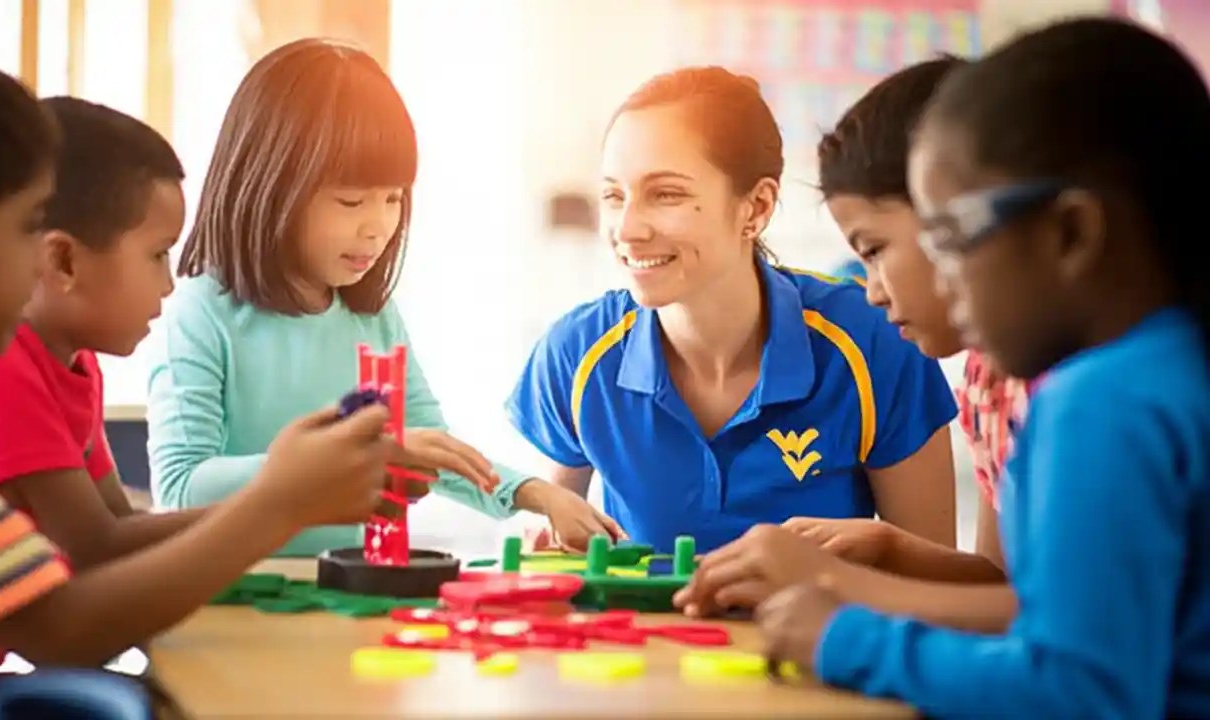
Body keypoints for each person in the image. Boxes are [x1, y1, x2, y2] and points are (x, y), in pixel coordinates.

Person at [756, 18, 1210, 718]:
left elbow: (1081, 692)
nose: (944, 272)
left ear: (1071, 232)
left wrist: (844, 637)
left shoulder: (1104, 400)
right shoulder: (1172, 368)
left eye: (951, 236)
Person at [0, 36, 393, 700]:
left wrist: (291, 500)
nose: (36, 260)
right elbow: (62, 626)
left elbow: (112, 533)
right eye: (26, 226)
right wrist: (278, 502)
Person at [147, 38, 614, 556]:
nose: (379, 227)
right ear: (271, 185)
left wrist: (535, 493)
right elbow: (181, 487)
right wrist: (363, 455)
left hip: (346, 590)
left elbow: (428, 446)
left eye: (393, 198)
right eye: (351, 201)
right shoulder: (202, 313)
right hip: (230, 596)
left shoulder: (372, 317)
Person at [506, 67, 959, 554]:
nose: (628, 228)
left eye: (666, 194)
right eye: (614, 196)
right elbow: (554, 556)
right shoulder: (575, 354)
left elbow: (934, 581)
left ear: (757, 208)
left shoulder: (874, 341)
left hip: (825, 632)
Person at [675, 58, 1029, 630]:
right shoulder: (992, 378)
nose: (872, 293)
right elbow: (1001, 583)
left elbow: (1062, 625)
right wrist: (888, 547)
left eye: (875, 249)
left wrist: (840, 592)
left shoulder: (1082, 390)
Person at [0, 97, 199, 571]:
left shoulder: (75, 362)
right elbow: (96, 545)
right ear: (63, 260)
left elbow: (117, 519)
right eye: (158, 255)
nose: (168, 283)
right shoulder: (1, 362)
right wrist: (276, 508)